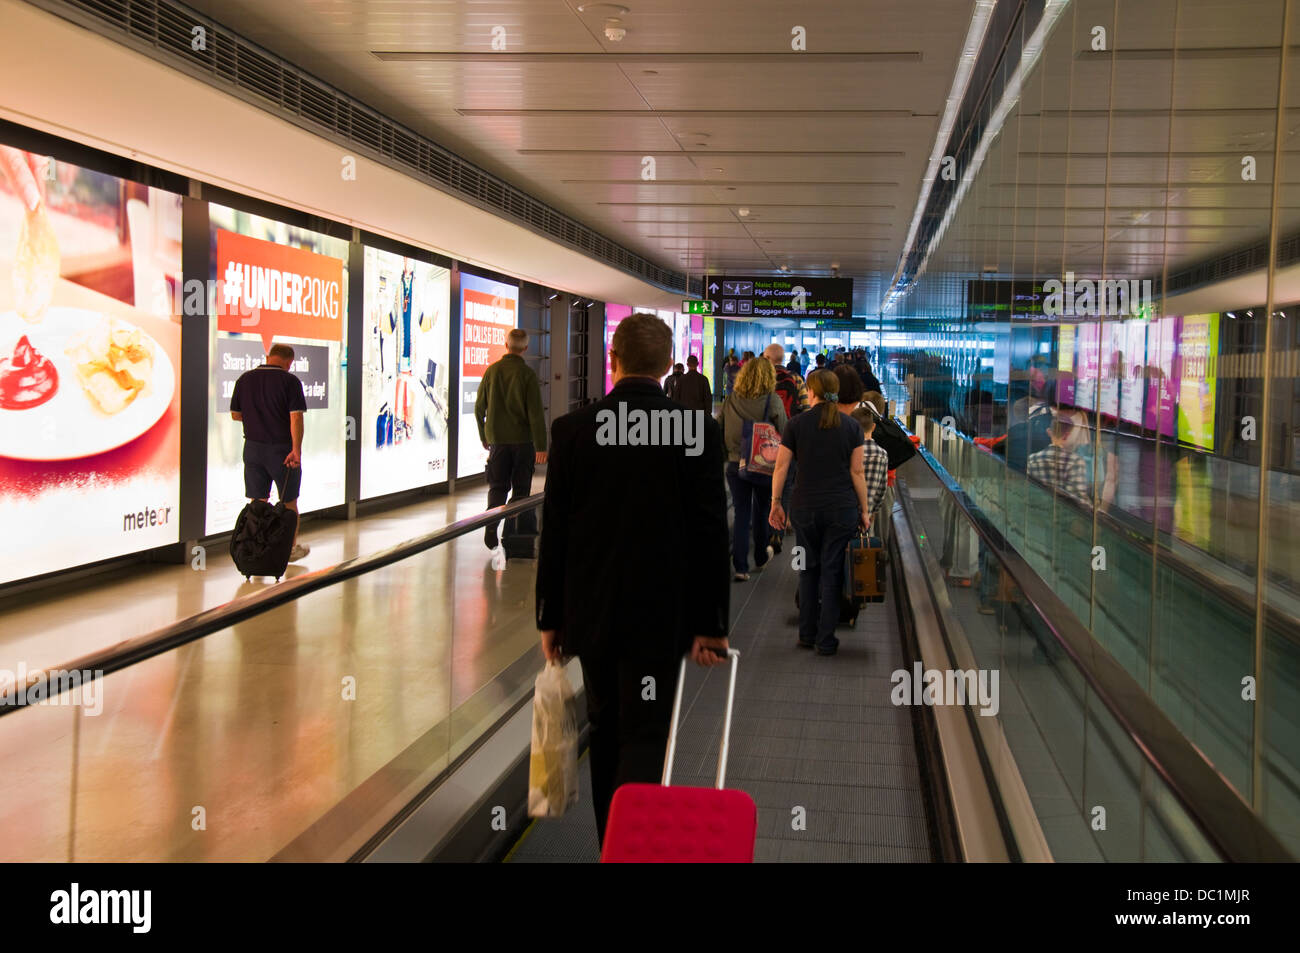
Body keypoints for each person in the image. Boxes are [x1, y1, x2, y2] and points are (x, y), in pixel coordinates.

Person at [536, 312, 730, 846]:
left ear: (613, 361)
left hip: (593, 614)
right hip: (663, 615)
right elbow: (711, 531)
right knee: (646, 732)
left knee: (605, 729)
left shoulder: (574, 431)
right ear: (669, 366)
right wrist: (711, 621)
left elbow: (555, 533)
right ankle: (631, 849)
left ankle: (612, 845)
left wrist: (550, 616)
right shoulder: (696, 432)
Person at [768, 370, 870, 656]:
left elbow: (781, 467)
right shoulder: (852, 428)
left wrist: (776, 502)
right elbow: (857, 471)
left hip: (804, 510)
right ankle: (826, 640)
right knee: (832, 572)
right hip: (841, 510)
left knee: (807, 570)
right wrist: (864, 510)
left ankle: (806, 633)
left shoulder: (796, 424)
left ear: (811, 392)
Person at [229, 342, 310, 561]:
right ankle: (290, 550)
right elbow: (296, 417)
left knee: (258, 502)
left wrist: (258, 418)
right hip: (282, 450)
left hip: (253, 449)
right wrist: (296, 450)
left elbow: (235, 415)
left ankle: (255, 549)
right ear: (288, 361)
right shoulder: (290, 381)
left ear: (268, 356)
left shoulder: (244, 379)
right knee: (288, 501)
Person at [475, 328, 548, 553]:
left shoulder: (492, 371)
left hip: (498, 441)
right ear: (525, 348)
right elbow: (535, 413)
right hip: (523, 442)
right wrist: (541, 446)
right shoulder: (527, 375)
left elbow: (479, 408)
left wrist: (484, 436)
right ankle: (512, 533)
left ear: (506, 345)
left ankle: (490, 525)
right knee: (520, 489)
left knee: (497, 487)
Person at [718, 356, 787, 581]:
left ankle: (740, 567)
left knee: (741, 512)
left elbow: (719, 427)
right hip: (763, 464)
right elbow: (784, 431)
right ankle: (759, 555)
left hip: (735, 463)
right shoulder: (772, 400)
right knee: (762, 509)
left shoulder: (731, 400)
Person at [1027, 414, 1091, 506]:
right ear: (1067, 435)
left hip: (1038, 511)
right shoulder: (1076, 462)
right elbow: (1079, 500)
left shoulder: (1032, 459)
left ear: (1049, 432)